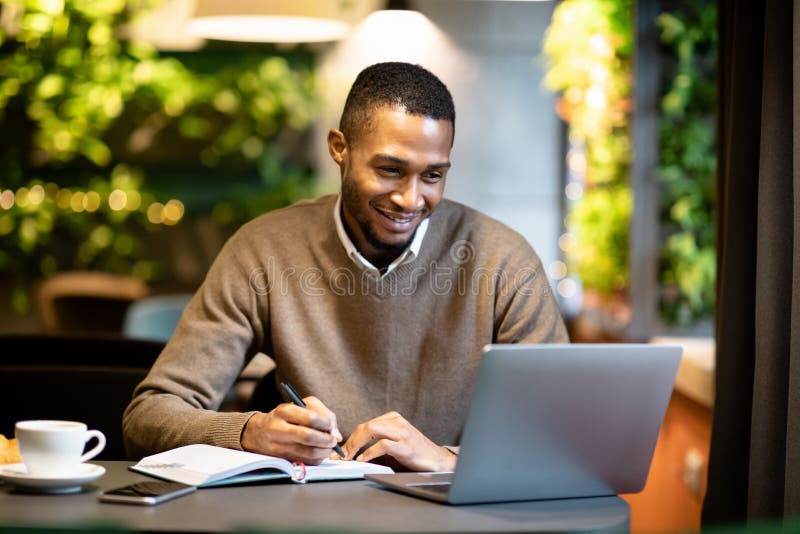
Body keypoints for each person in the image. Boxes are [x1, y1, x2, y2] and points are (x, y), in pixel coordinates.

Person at [123, 62, 568, 472]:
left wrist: (447, 460)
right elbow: (148, 418)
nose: (411, 199)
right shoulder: (265, 249)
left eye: (433, 175)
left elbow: (564, 438)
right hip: (312, 516)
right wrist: (248, 432)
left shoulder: (504, 260)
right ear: (340, 148)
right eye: (391, 170)